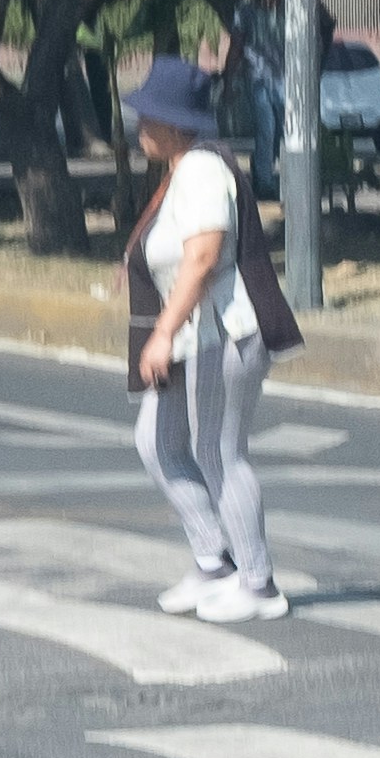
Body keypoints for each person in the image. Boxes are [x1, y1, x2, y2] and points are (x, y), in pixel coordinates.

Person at [122, 51, 294, 625]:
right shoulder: (183, 172)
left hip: (224, 333)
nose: (139, 127)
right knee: (156, 441)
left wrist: (161, 334)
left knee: (219, 452)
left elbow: (202, 259)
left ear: (174, 124)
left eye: (147, 118)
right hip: (195, 339)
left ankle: (258, 582)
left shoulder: (201, 170)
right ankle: (212, 562)